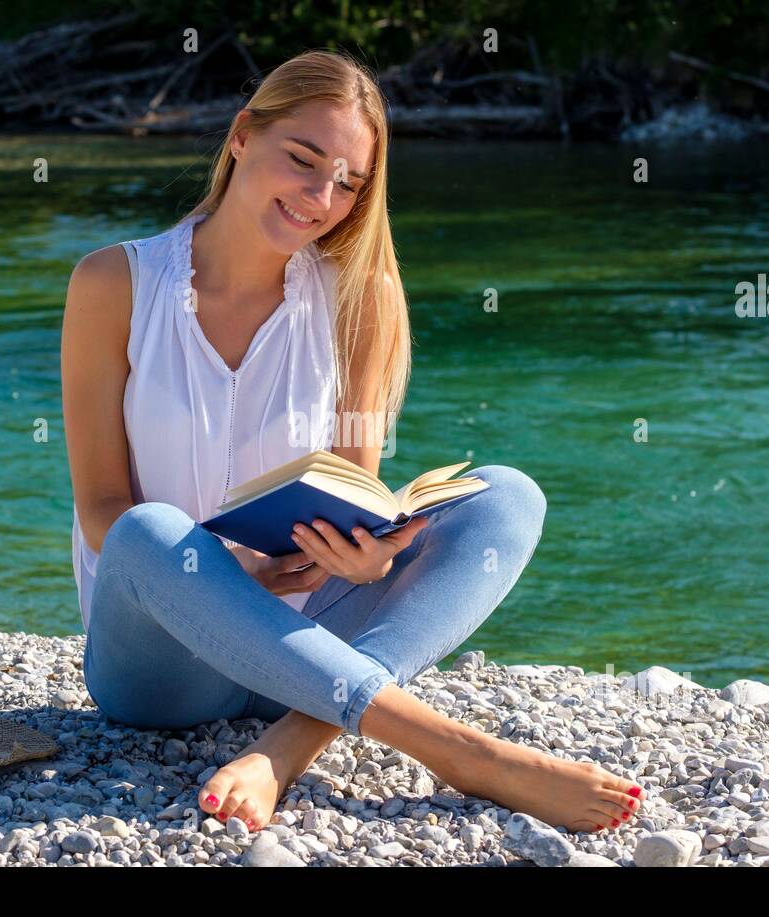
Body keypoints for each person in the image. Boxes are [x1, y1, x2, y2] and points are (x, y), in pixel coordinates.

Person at [60, 49, 643, 835]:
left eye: (348, 182)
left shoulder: (359, 297)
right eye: (302, 160)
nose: (319, 197)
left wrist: (370, 557)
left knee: (506, 497)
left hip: (301, 642)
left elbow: (353, 490)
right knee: (147, 529)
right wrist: (222, 572)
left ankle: (292, 741)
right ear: (240, 136)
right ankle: (462, 753)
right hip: (162, 668)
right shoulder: (113, 284)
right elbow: (101, 507)